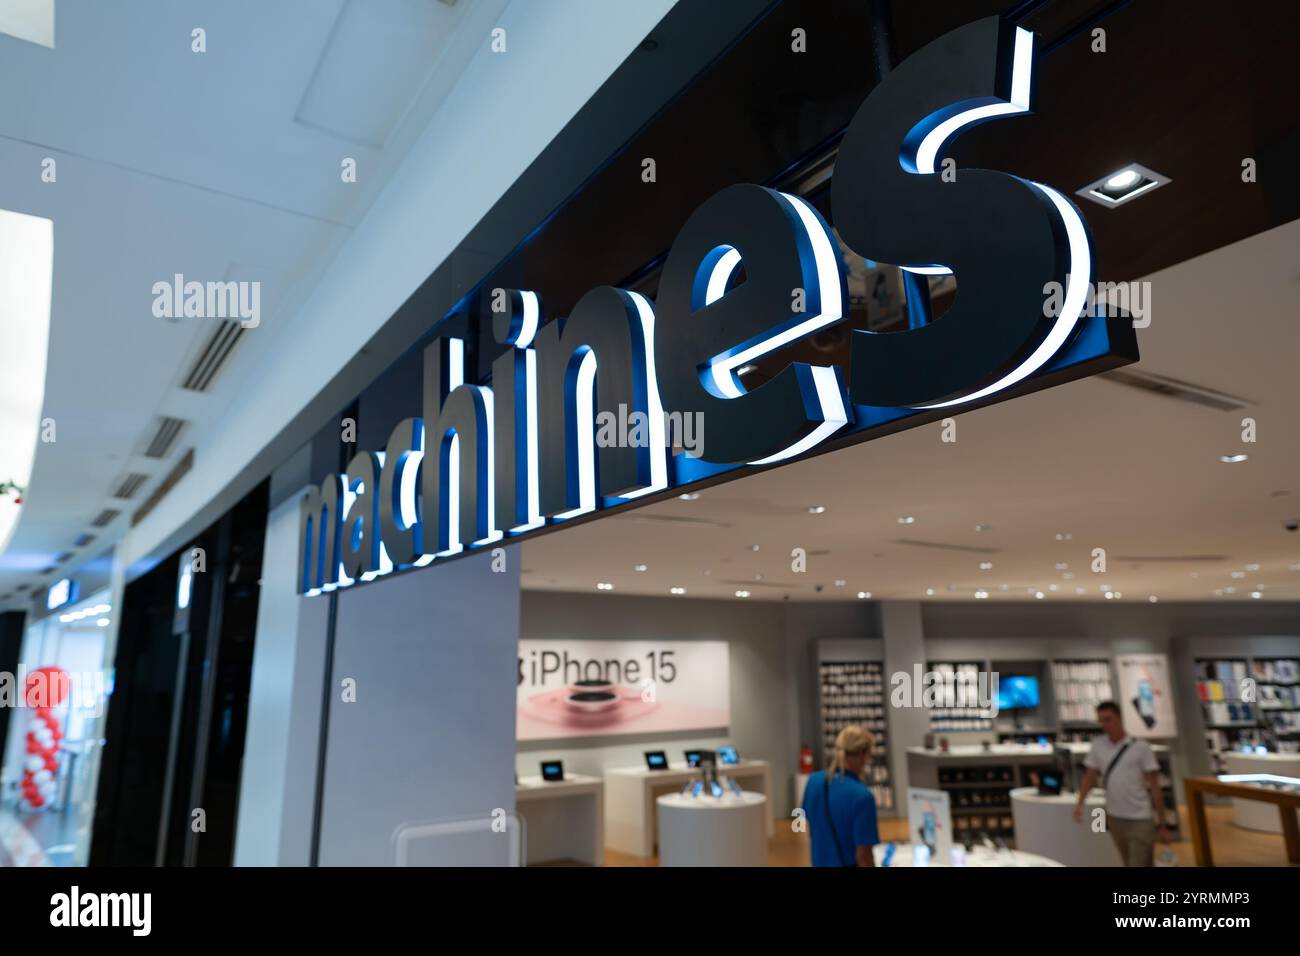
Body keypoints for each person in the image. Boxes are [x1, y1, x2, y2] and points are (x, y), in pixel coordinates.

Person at [1072, 700, 1172, 866]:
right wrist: (1080, 802)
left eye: (1108, 719)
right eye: (1101, 721)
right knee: (1127, 861)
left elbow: (1155, 787)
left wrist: (1162, 824)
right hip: (1114, 817)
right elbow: (1089, 776)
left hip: (1140, 818)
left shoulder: (1141, 747)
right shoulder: (1098, 745)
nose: (1105, 725)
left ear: (1119, 718)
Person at [801, 725, 879, 867]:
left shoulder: (814, 781)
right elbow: (864, 856)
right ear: (863, 755)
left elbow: (812, 828)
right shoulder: (862, 797)